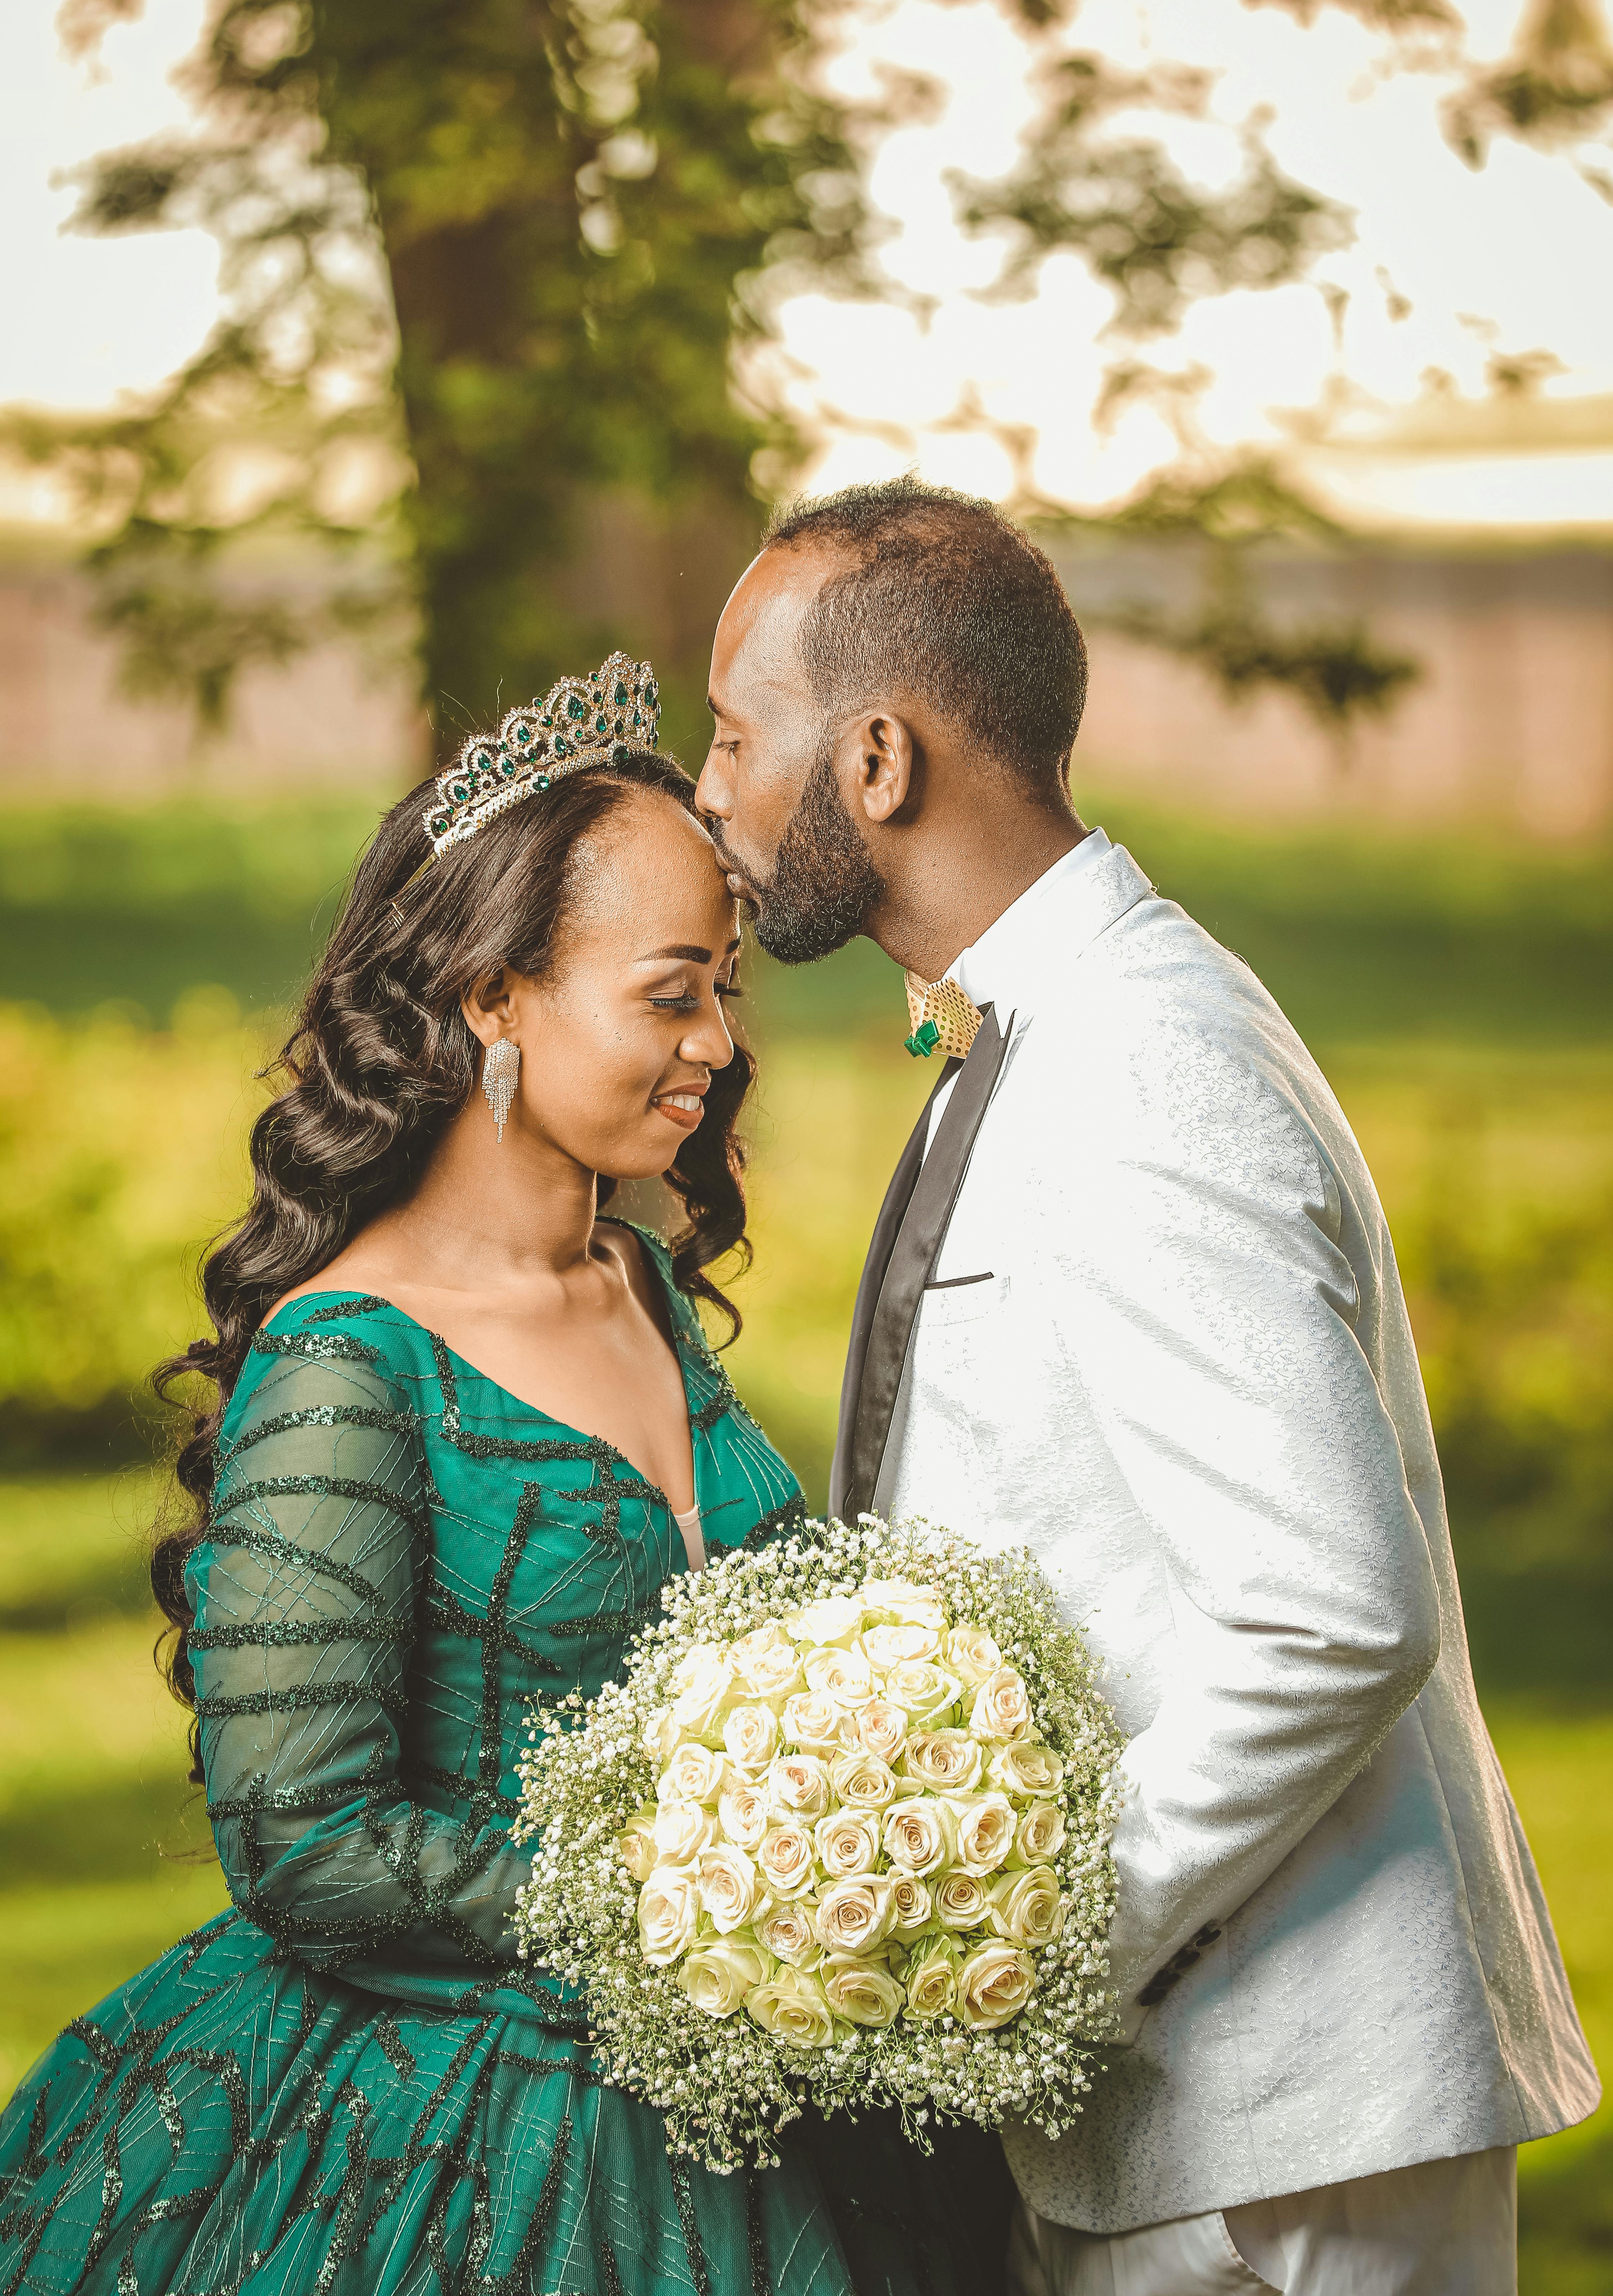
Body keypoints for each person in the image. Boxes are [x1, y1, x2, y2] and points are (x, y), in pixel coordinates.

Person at [0, 655, 1012, 2296]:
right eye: (669, 995)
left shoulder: (643, 1286)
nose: (715, 1044)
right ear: (492, 999)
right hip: (468, 2126)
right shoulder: (351, 1365)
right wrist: (695, 1907)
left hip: (774, 2091)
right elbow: (307, 1840)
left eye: (725, 991)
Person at [694, 485, 1601, 2296]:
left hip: (1286, 2133)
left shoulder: (1137, 1067)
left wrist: (1019, 1956)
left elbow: (1331, 1614)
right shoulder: (1041, 1028)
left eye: (733, 735)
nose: (710, 790)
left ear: (875, 759)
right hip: (1200, 2130)